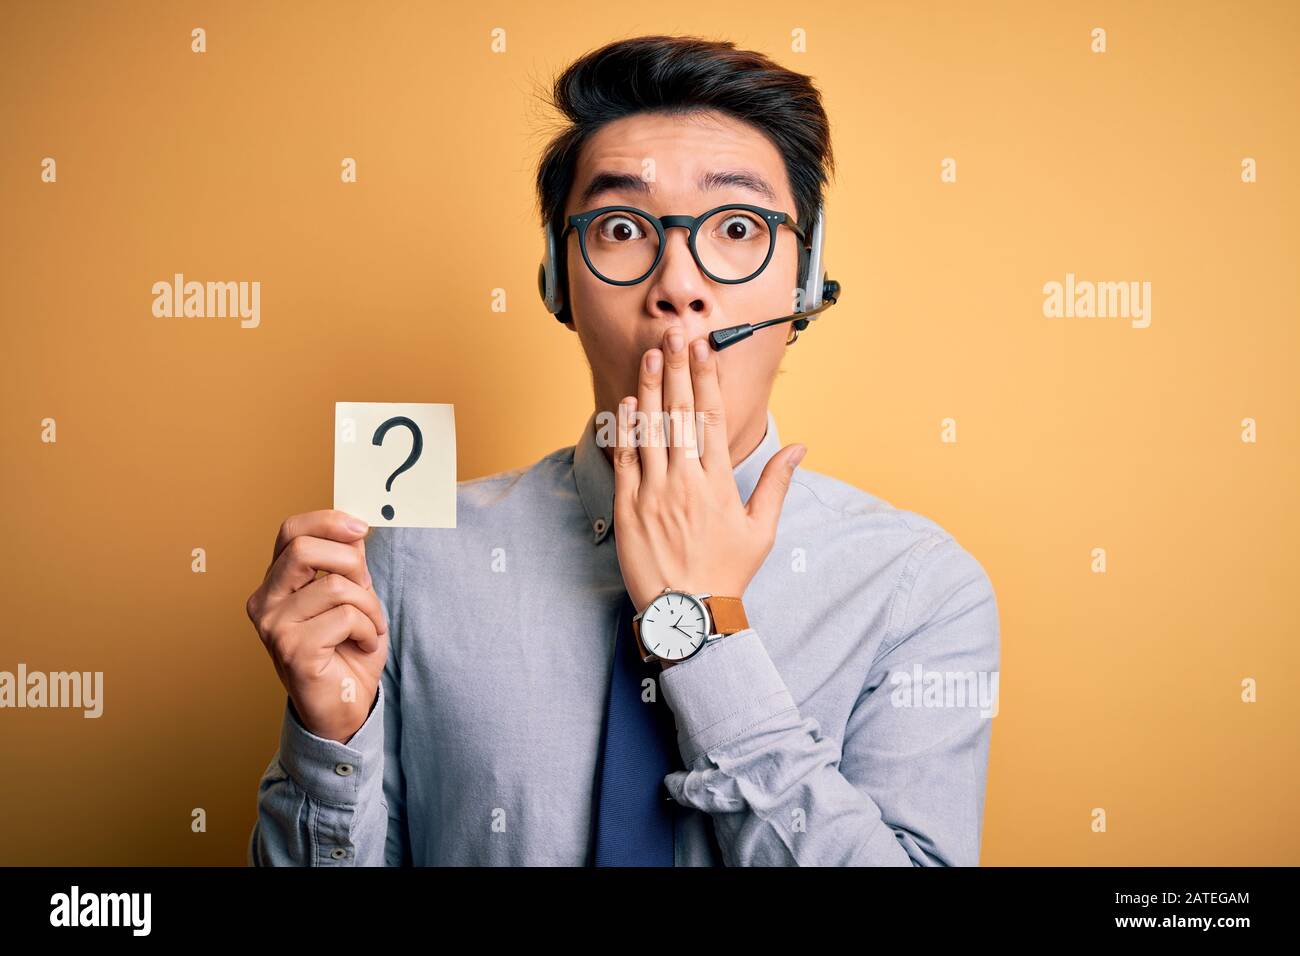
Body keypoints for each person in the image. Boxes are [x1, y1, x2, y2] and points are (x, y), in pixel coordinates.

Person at [245, 34, 999, 866]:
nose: (678, 283)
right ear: (557, 280)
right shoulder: (410, 565)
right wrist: (330, 740)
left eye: (739, 225)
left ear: (806, 280)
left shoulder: (918, 590)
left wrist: (705, 636)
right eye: (619, 227)